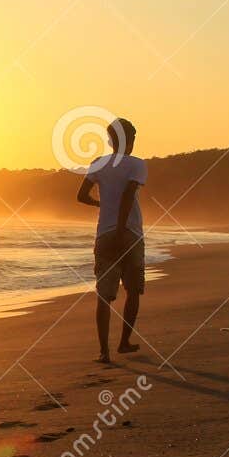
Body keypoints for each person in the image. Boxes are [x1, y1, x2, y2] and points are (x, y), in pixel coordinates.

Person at [76, 117, 145, 363]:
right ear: (128, 139)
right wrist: (120, 227)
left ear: (110, 140)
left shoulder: (98, 164)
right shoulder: (137, 165)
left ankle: (104, 352)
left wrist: (101, 204)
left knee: (104, 295)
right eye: (133, 138)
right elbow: (128, 195)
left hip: (104, 234)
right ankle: (124, 343)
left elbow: (81, 196)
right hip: (130, 234)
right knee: (133, 290)